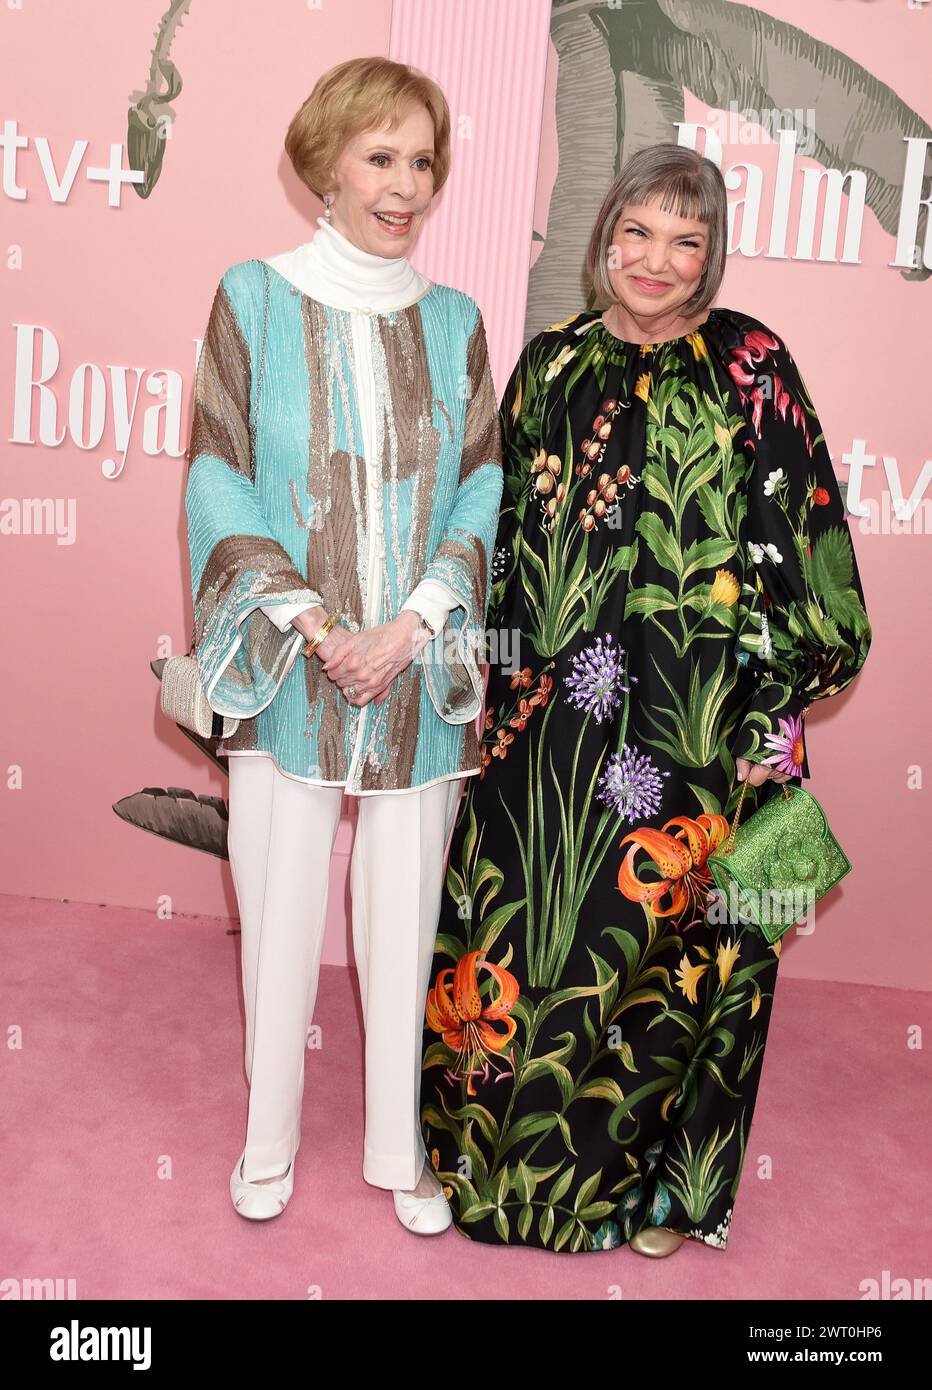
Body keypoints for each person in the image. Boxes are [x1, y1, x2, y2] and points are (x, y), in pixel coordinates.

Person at [419, 143, 871, 1257]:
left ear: (711, 255)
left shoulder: (750, 362)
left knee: (690, 953)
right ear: (602, 237)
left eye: (686, 239)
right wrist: (495, 689)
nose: (656, 260)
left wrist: (778, 708)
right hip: (551, 716)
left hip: (705, 716)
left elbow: (803, 531)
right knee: (527, 937)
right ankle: (492, 1168)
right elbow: (510, 542)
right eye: (637, 232)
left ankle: (661, 1195)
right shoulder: (550, 364)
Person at [182, 57, 503, 1231]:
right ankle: (267, 1139)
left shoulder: (457, 320)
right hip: (290, 662)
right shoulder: (253, 296)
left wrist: (412, 621)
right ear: (323, 165)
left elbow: (479, 484)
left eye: (422, 160)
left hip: (414, 662)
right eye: (379, 156)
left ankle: (394, 1146)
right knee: (273, 902)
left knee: (402, 910)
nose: (403, 183)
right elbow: (218, 471)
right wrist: (315, 624)